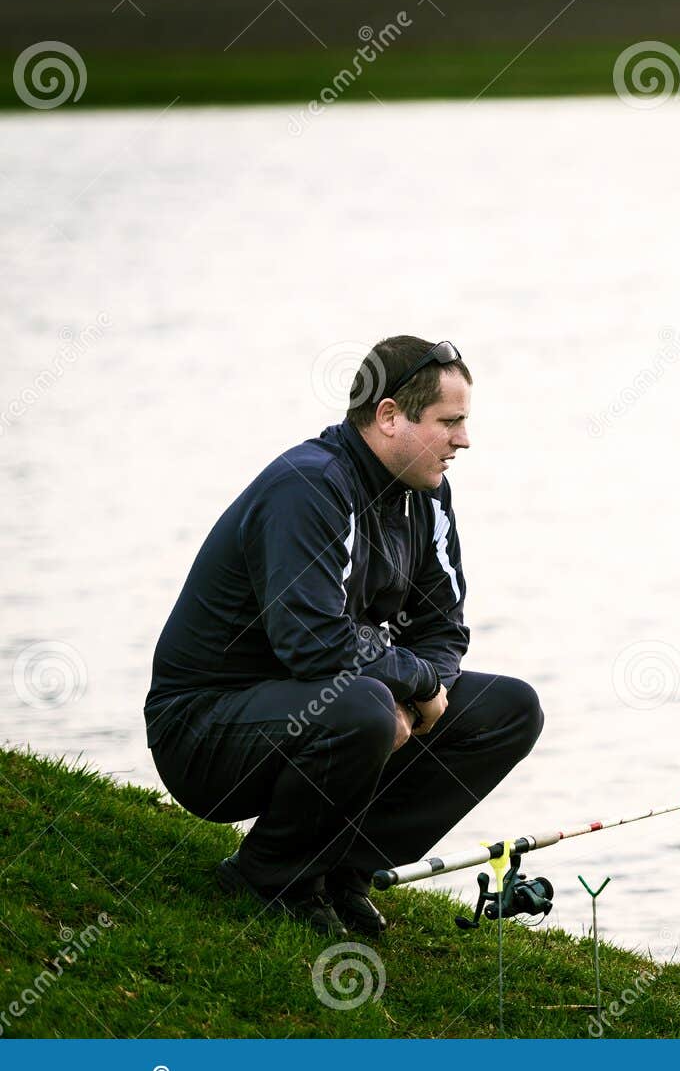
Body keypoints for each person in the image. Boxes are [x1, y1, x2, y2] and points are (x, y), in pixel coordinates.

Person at [143, 336, 543, 937]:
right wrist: (409, 686)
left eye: (465, 422)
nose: (464, 439)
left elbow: (443, 628)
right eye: (449, 422)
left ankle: (340, 870)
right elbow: (313, 641)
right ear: (388, 417)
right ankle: (269, 875)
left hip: (324, 706)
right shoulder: (308, 486)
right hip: (204, 727)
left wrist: (417, 689)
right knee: (363, 707)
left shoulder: (426, 493)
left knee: (510, 710)